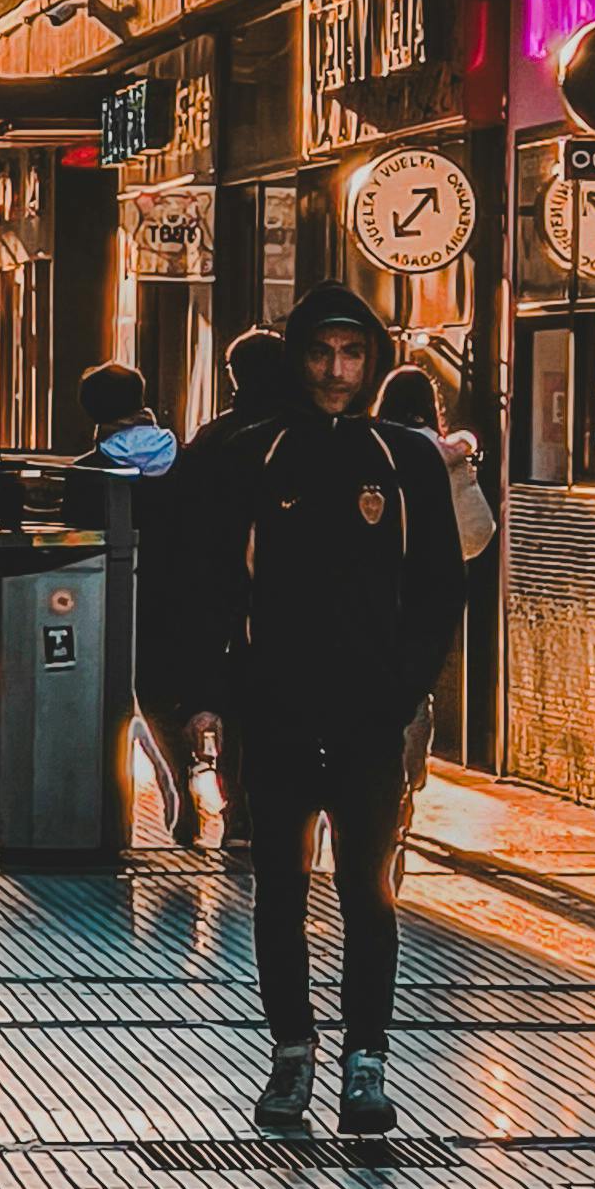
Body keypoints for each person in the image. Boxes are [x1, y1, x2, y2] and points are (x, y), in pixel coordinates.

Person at [202, 283, 465, 1140]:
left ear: (375, 360)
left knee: (369, 891)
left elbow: (438, 589)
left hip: (368, 719)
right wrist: (220, 695)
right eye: (321, 352)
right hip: (274, 715)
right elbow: (209, 587)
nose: (336, 371)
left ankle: (367, 1060)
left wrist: (406, 690)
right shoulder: (254, 454)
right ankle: (291, 1051)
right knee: (278, 890)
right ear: (297, 354)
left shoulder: (406, 460)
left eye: (353, 355)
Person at [138, 328, 289, 848]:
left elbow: (186, 520)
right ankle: (253, 808)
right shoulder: (298, 432)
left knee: (219, 696)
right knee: (265, 703)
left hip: (213, 590)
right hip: (281, 591)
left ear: (234, 376)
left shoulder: (214, 438)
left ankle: (215, 795)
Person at [374, 361, 494, 850]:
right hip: (428, 589)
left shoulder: (372, 448)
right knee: (417, 688)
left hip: (377, 585)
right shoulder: (444, 456)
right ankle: (406, 780)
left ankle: (378, 782)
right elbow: (479, 529)